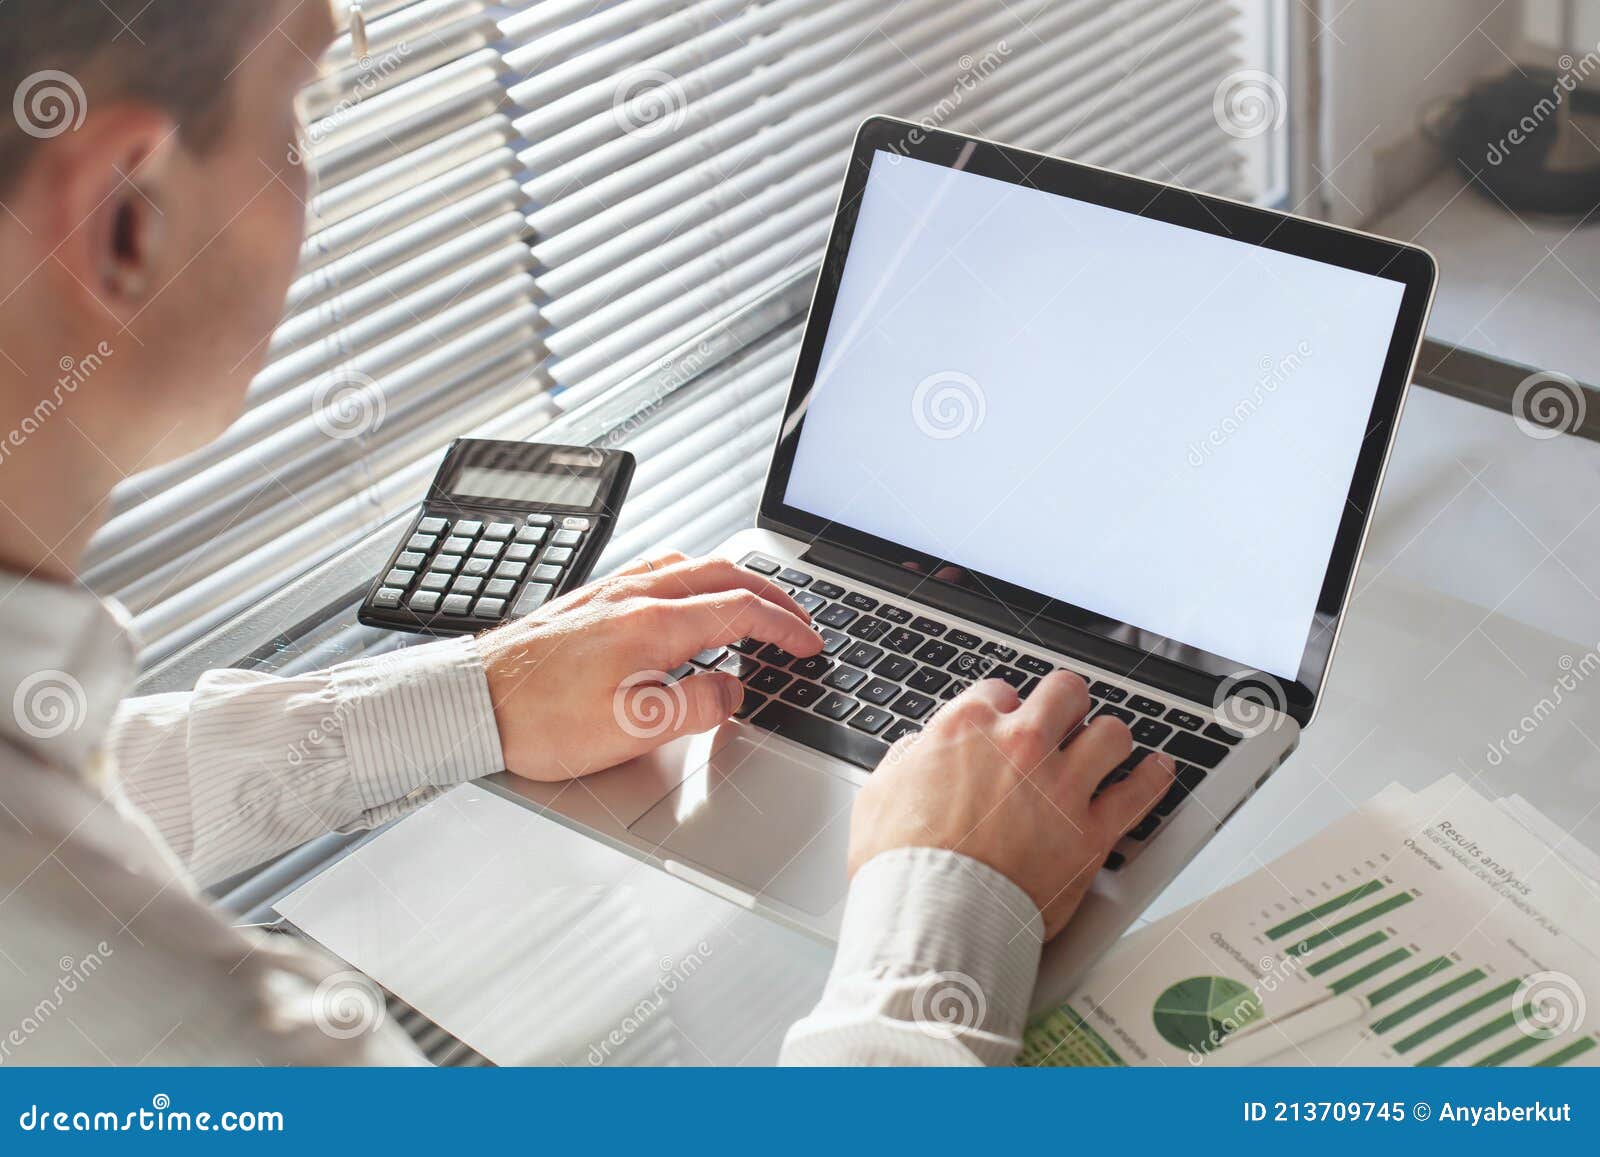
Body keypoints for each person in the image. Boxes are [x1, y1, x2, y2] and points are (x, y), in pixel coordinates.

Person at [0, 0, 1173, 1066]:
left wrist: (474, 692)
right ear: (121, 218)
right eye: (297, 109)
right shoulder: (194, 1044)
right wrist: (948, 903)